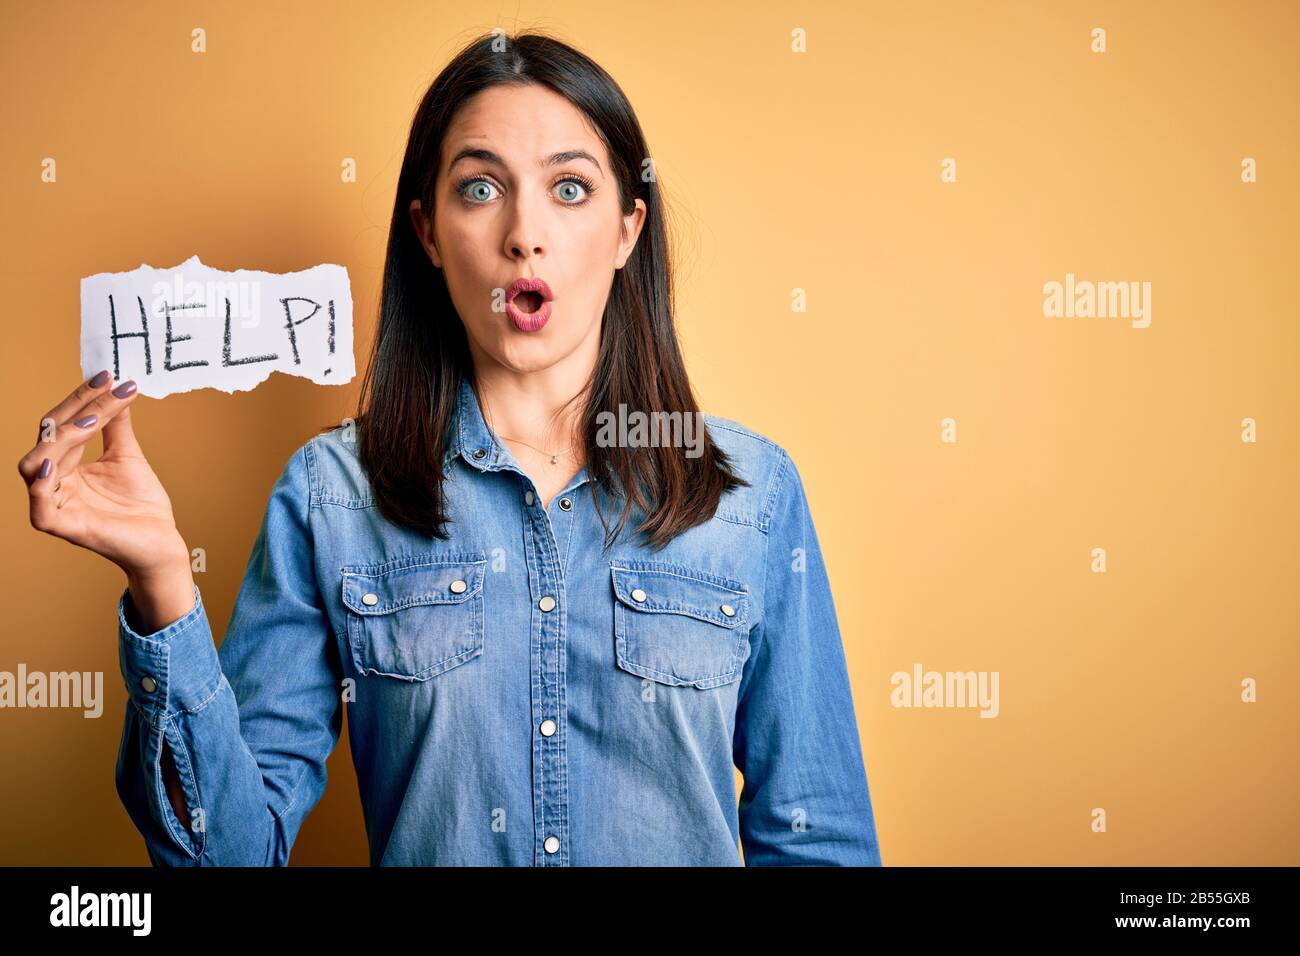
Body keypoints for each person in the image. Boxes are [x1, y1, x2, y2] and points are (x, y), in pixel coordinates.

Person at [19, 31, 882, 866]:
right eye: (480, 189)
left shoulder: (750, 496)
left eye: (570, 189)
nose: (524, 234)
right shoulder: (331, 496)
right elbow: (227, 856)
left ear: (627, 230)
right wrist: (163, 583)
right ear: (429, 234)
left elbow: (819, 840)